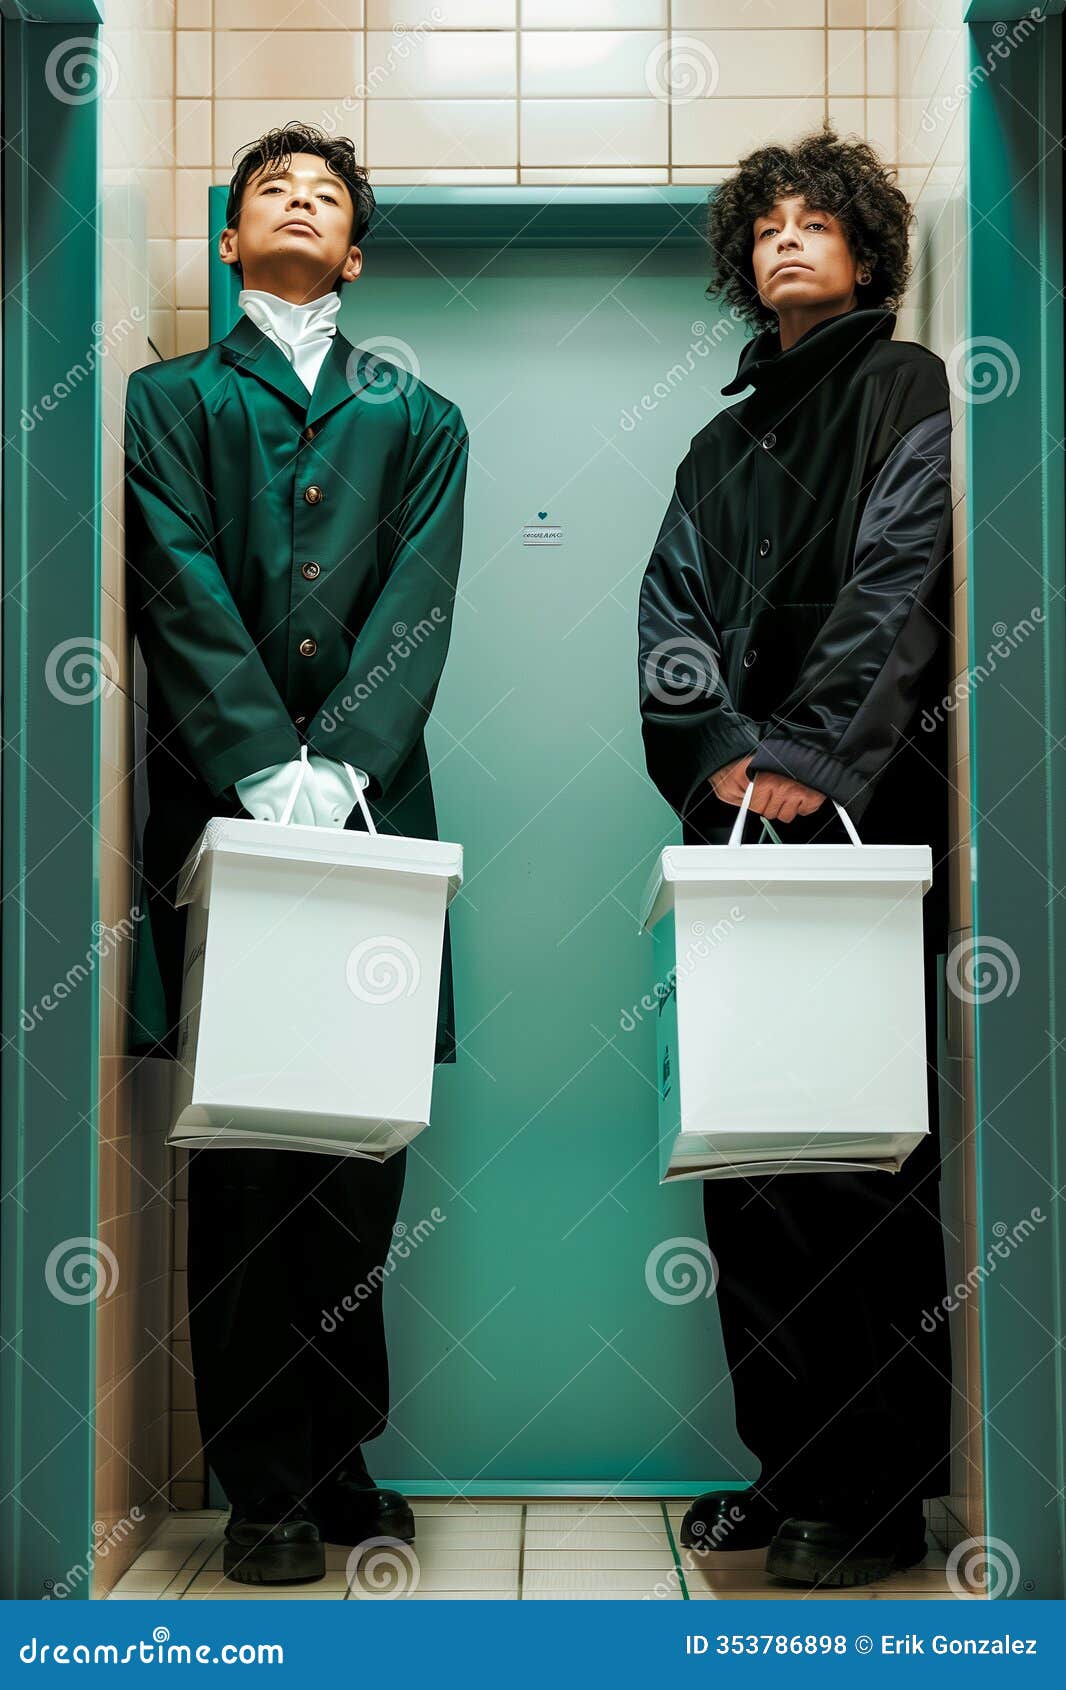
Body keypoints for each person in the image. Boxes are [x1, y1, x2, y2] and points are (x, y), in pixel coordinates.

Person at [123, 121, 469, 1585]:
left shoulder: (423, 415)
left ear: (357, 253)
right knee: (245, 1161)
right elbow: (177, 578)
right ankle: (261, 1485)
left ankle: (341, 1460)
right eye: (273, 188)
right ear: (228, 239)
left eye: (326, 195)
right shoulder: (165, 399)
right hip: (224, 813)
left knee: (358, 1151)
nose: (300, 205)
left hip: (377, 815)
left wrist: (347, 762)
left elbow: (419, 597)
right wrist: (266, 761)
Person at [637, 125, 954, 1589]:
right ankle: (785, 1464)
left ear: (866, 251)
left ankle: (873, 1489)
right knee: (745, 1151)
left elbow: (898, 580)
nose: (784, 238)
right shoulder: (716, 442)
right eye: (765, 224)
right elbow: (671, 605)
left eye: (815, 221)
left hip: (858, 812)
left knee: (854, 1154)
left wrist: (808, 756)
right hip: (728, 822)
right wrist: (717, 751)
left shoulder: (906, 386)